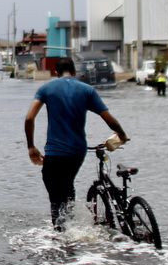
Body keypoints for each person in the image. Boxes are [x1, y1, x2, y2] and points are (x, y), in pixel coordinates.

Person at [25, 56, 128, 231]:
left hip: (55, 152)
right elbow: (109, 119)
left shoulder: (46, 89)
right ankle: (72, 226)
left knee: (56, 199)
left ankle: (62, 235)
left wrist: (31, 146)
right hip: (77, 152)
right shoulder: (87, 90)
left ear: (56, 73)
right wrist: (122, 135)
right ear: (74, 71)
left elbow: (29, 118)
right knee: (67, 185)